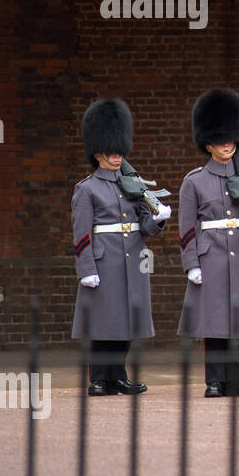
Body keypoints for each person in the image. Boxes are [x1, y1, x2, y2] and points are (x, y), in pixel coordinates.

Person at [178, 88, 239, 397]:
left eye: (231, 140)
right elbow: (187, 228)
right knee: (214, 323)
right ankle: (215, 381)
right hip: (212, 255)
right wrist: (191, 263)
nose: (226, 146)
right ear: (208, 144)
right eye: (220, 141)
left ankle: (234, 377)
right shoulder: (194, 180)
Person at [72, 98, 170, 396]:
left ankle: (118, 375)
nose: (118, 156)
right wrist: (86, 268)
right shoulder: (87, 189)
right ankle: (100, 378)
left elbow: (145, 227)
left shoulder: (132, 183)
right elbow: (82, 233)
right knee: (103, 323)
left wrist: (159, 218)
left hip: (132, 259)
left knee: (126, 320)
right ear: (98, 153)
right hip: (104, 260)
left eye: (120, 151)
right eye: (112, 152)